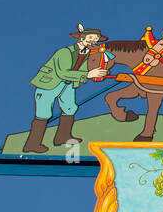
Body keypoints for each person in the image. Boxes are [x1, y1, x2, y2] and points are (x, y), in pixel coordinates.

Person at [25, 24, 107, 153]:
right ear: (81, 38)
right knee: (43, 114)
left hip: (68, 84)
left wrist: (92, 75)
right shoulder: (64, 52)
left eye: (96, 38)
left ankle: (62, 137)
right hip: (49, 84)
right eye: (91, 37)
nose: (94, 40)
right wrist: (87, 75)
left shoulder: (86, 53)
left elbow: (83, 70)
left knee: (70, 108)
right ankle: (32, 144)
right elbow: (62, 72)